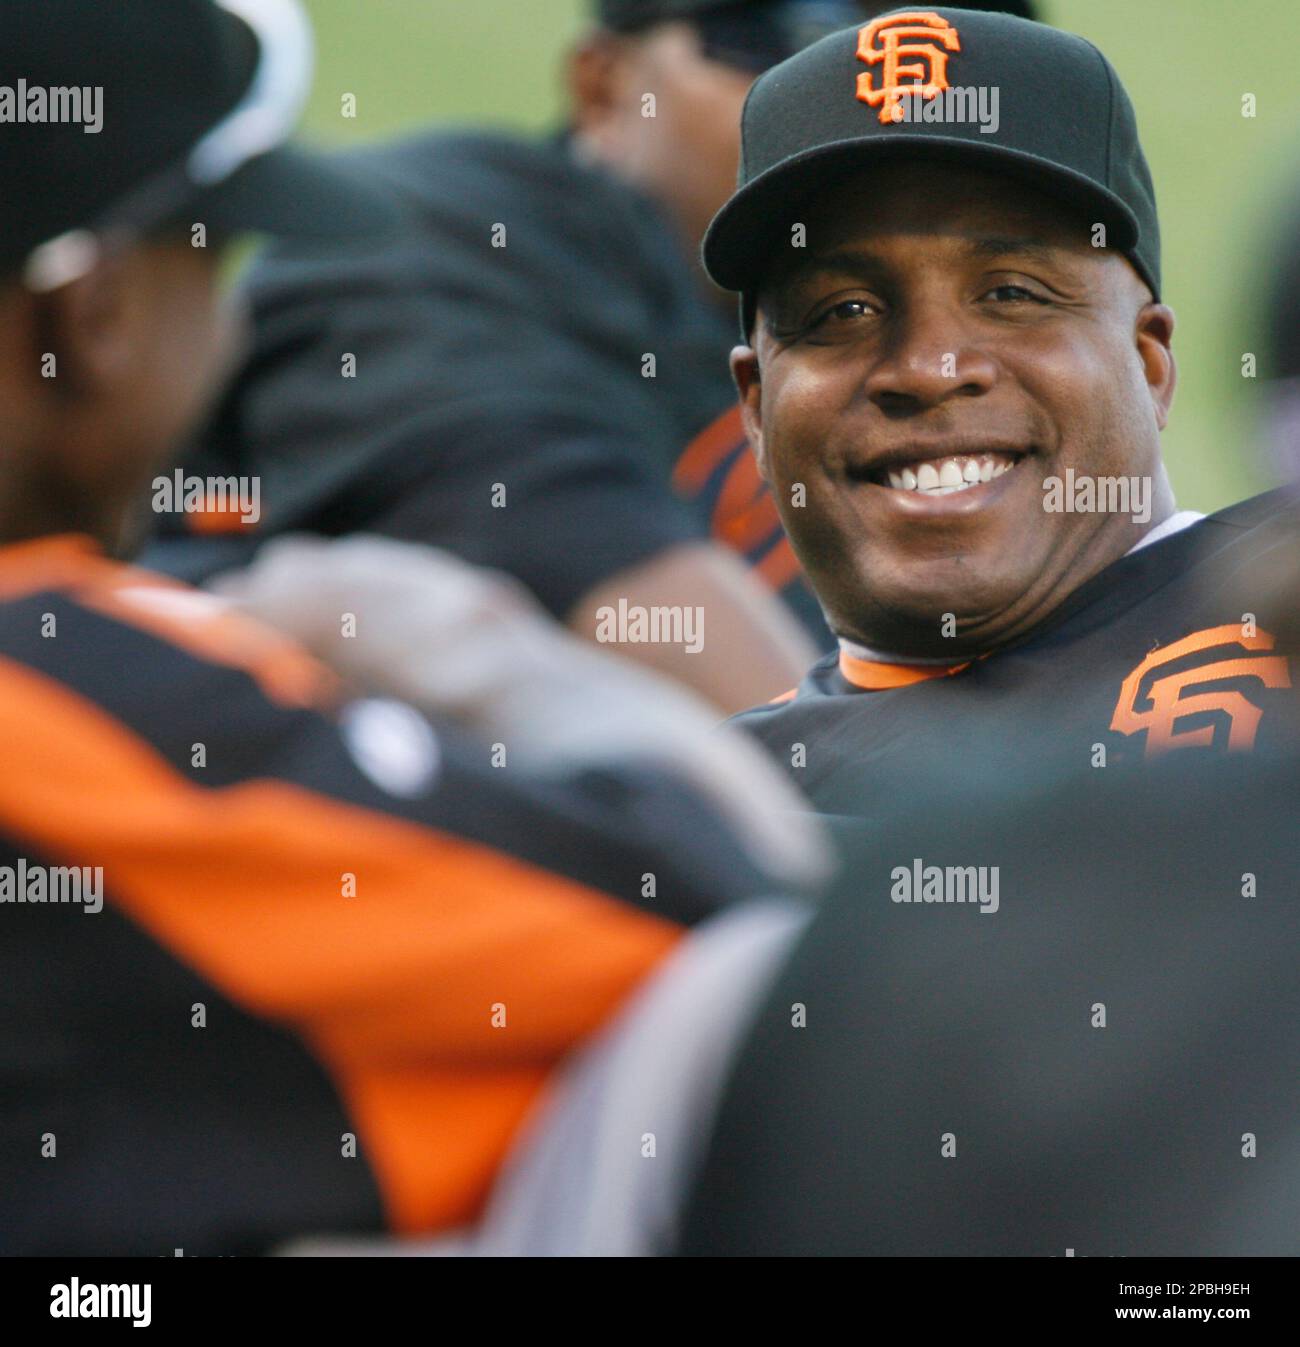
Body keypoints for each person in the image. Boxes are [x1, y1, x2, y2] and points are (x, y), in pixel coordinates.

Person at [0, 0, 826, 1255]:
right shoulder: (66, 703)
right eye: (209, 263)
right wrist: (474, 653)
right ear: (92, 321)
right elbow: (728, 929)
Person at [143, 0, 1041, 714]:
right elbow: (591, 568)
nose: (870, 88)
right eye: (779, 32)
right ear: (606, 91)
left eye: (938, 42)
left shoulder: (993, 367)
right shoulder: (442, 229)